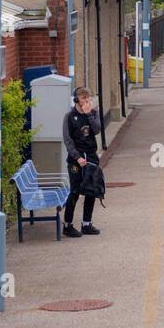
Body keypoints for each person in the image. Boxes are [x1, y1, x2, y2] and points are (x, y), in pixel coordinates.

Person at [62, 85, 102, 238]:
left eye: (87, 97)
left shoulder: (93, 113)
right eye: (83, 97)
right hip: (76, 160)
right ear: (76, 100)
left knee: (91, 189)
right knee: (75, 191)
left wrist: (89, 115)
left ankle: (87, 223)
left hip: (91, 156)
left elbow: (97, 130)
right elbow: (68, 140)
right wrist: (77, 157)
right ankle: (68, 224)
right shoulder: (69, 117)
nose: (86, 100)